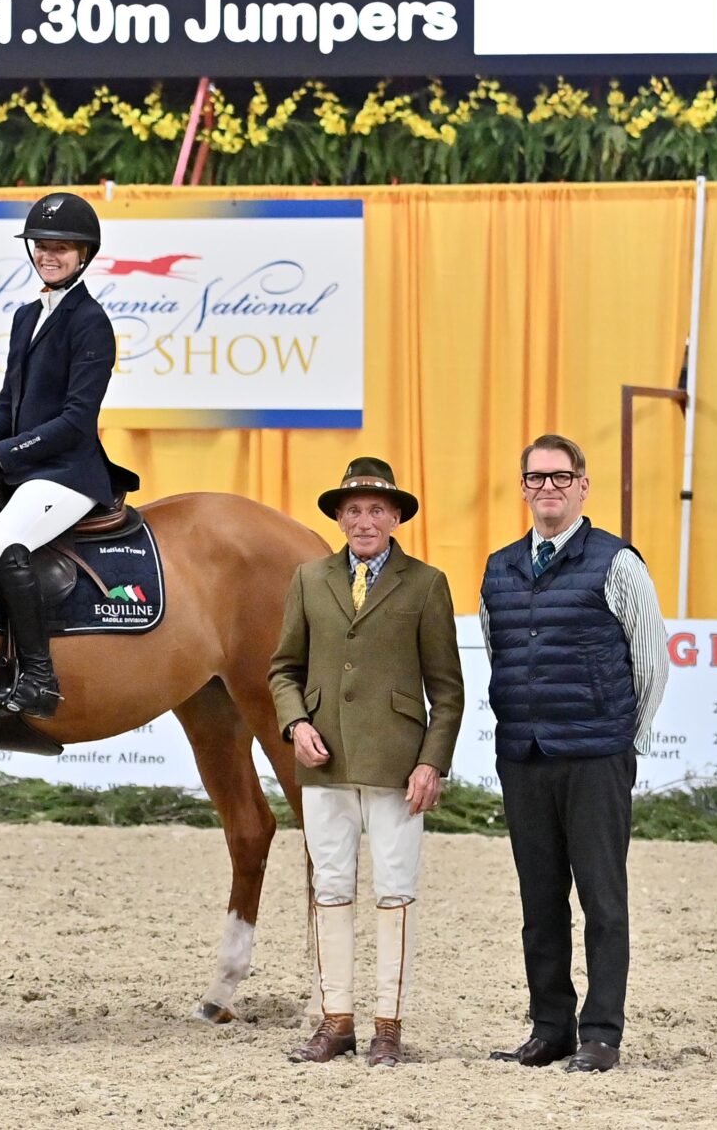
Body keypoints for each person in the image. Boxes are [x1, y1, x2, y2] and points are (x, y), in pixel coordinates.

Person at [479, 434, 668, 1074]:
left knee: (603, 901)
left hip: (595, 760)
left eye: (561, 478)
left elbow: (651, 662)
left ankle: (602, 1033)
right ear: (524, 487)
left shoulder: (617, 563)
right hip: (524, 756)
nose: (549, 489)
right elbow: (499, 654)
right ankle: (550, 1027)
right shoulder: (499, 569)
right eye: (537, 478)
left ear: (583, 486)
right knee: (539, 903)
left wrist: (620, 738)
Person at [268, 457, 463, 1068]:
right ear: (339, 517)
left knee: (395, 894)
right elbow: (283, 670)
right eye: (353, 509)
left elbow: (448, 690)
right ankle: (336, 1022)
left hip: (399, 767)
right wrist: (295, 723)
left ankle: (388, 1026)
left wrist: (432, 762)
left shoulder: (427, 584)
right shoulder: (308, 578)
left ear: (396, 516)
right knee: (329, 891)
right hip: (323, 763)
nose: (364, 520)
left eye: (376, 509)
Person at [0, 191, 138, 719]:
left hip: (69, 472)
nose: (49, 255)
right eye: (41, 245)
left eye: (62, 247)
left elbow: (75, 421)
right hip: (27, 467)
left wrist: (1, 455)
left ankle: (39, 679)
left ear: (84, 254)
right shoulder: (27, 316)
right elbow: (9, 405)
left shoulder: (90, 322)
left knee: (6, 538)